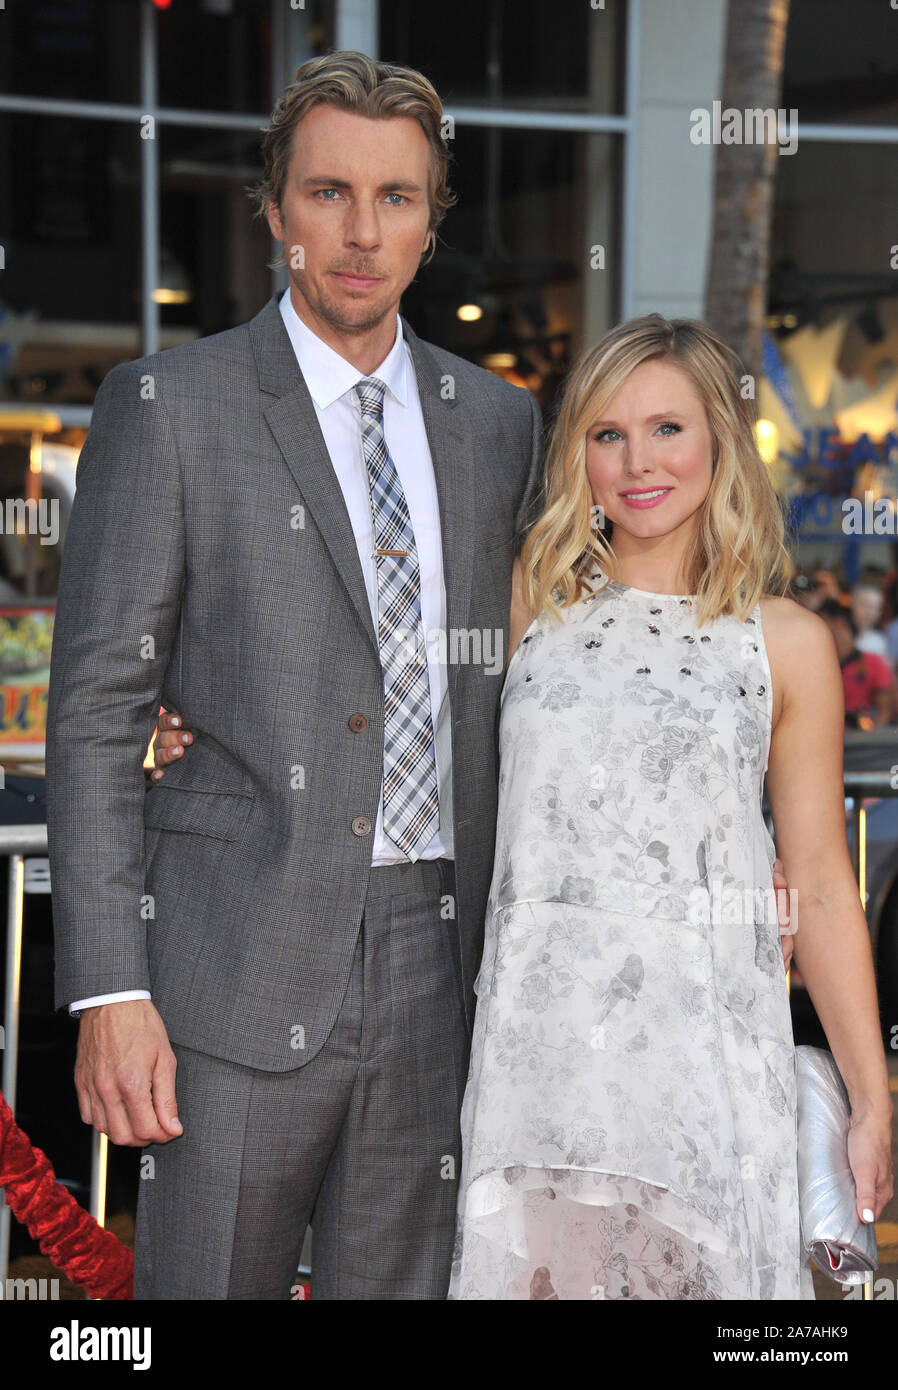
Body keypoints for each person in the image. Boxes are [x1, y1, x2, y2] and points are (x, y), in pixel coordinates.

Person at [45, 51, 545, 1301]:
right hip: (228, 959)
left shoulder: (497, 424)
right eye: (327, 194)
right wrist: (112, 985)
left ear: (433, 220)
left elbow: (545, 678)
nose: (361, 235)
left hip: (444, 962)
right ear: (273, 209)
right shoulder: (170, 405)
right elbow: (100, 710)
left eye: (397, 198)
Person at [444, 316, 891, 1299]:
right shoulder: (532, 595)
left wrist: (868, 1098)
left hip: (705, 1063)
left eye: (666, 429)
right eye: (606, 434)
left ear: (720, 443)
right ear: (579, 455)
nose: (636, 461)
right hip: (541, 1055)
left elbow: (817, 876)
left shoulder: (784, 640)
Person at [818, 598, 893, 729]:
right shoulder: (816, 664)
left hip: (860, 742)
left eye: (821, 621)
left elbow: (885, 711)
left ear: (838, 623)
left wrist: (869, 739)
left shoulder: (873, 663)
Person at [851, 581, 889, 658]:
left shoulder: (880, 642)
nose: (870, 612)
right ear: (852, 604)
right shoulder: (840, 637)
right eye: (865, 605)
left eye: (876, 608)